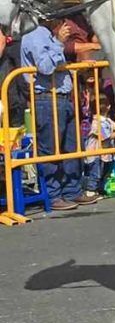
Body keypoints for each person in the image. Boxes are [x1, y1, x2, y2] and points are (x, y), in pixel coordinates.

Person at [20, 19, 87, 211]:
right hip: (47, 97)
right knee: (50, 148)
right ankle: (54, 194)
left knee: (71, 147)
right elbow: (45, 67)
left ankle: (72, 191)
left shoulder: (48, 36)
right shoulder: (34, 36)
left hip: (63, 96)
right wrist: (58, 43)